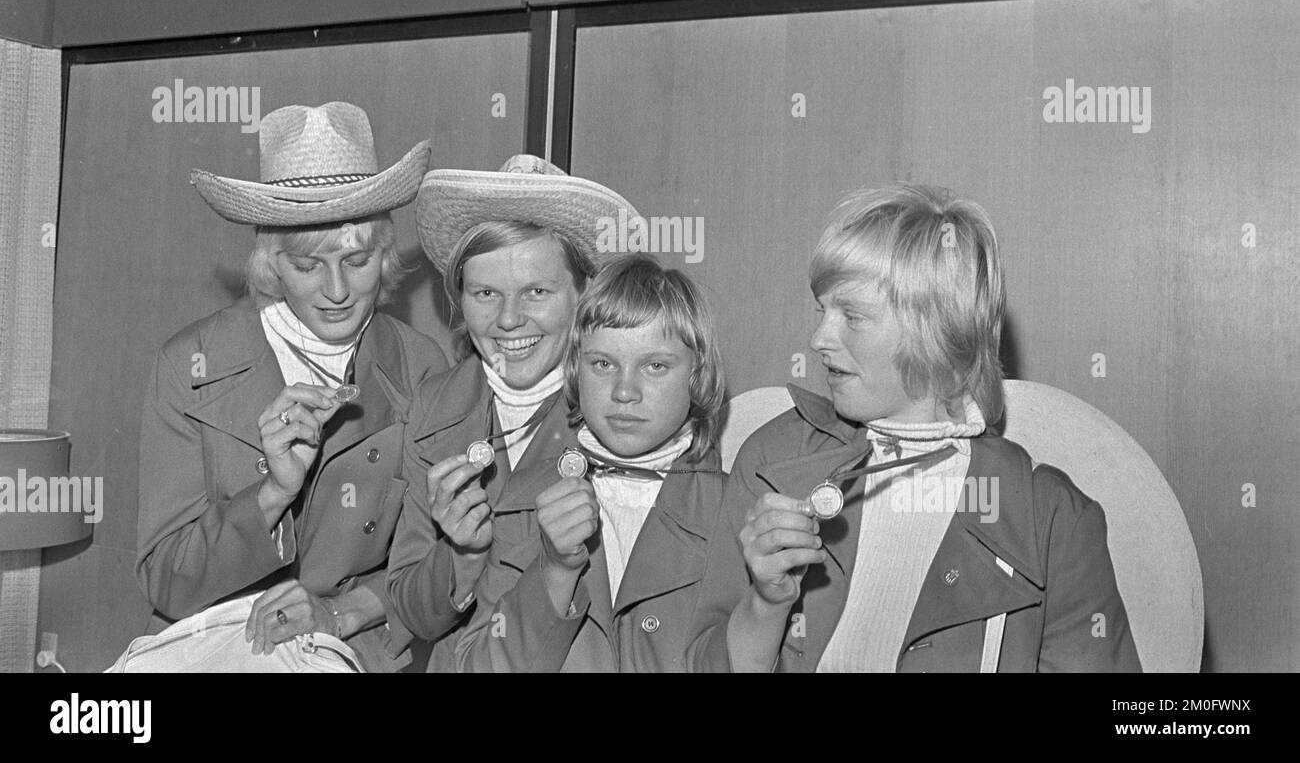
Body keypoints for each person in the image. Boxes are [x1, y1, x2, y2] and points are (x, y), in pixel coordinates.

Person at [686, 184, 1141, 672]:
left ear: (936, 332)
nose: (819, 338)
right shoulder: (774, 462)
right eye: (823, 311)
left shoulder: (1049, 518)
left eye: (852, 316)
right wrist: (766, 604)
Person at [136, 102, 445, 672]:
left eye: (356, 260)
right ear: (271, 263)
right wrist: (272, 495)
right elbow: (166, 584)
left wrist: (336, 613)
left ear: (384, 256)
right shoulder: (190, 365)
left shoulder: (422, 368)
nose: (336, 291)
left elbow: (434, 569)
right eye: (308, 265)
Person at [385, 155, 640, 669]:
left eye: (537, 292)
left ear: (583, 294)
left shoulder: (627, 407)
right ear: (457, 297)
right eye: (485, 294)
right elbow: (411, 614)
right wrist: (460, 555)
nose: (508, 320)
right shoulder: (435, 404)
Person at [453, 254, 727, 671]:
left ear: (698, 375)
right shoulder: (526, 496)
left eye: (655, 366)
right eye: (603, 364)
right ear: (575, 371)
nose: (624, 391)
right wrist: (555, 571)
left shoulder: (732, 510)